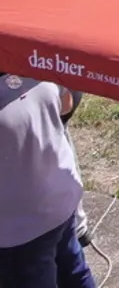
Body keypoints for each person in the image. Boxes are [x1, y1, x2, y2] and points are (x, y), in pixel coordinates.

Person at [0, 77, 95, 288]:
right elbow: (67, 103)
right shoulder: (34, 61)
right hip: (60, 199)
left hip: (18, 228)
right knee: (74, 272)